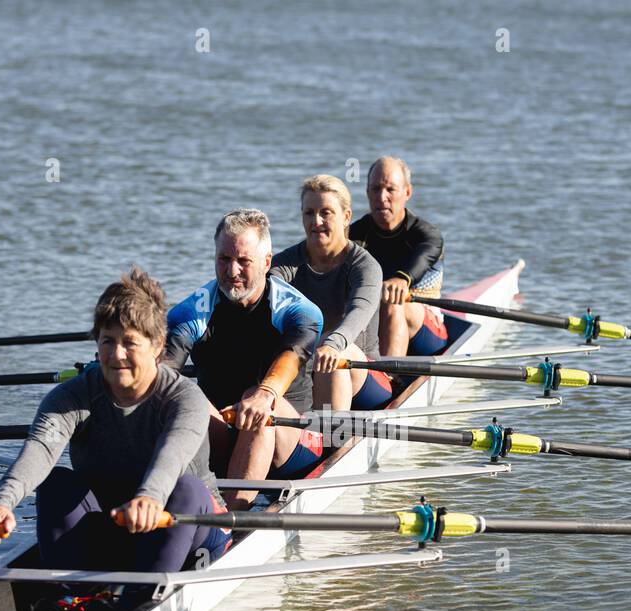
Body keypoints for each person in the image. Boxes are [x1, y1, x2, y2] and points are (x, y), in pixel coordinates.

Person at [0, 267, 230, 592]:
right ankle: (75, 593)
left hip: (189, 529)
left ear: (158, 345)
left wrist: (148, 500)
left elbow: (172, 455)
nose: (117, 354)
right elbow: (40, 449)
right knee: (55, 484)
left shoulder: (184, 398)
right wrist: (0, 504)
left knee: (186, 489)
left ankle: (137, 602)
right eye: (108, 341)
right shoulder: (70, 398)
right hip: (117, 524)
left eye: (130, 342)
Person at [164, 208, 325, 510]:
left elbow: (292, 356)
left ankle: (229, 522)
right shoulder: (190, 311)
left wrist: (265, 394)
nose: (232, 271)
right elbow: (166, 369)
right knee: (178, 394)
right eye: (224, 260)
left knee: (256, 401)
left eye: (243, 261)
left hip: (293, 443)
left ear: (266, 263)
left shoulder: (299, 310)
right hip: (225, 434)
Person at [269, 175, 390, 411]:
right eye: (309, 213)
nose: (316, 221)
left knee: (331, 350)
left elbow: (359, 312)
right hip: (307, 367)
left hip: (367, 378)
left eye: (326, 212)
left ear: (346, 217)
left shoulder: (365, 267)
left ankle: (330, 442)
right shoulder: (284, 265)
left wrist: (333, 344)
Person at [348, 156, 447, 357]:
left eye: (390, 189)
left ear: (407, 192)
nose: (382, 197)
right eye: (376, 189)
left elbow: (423, 257)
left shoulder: (427, 235)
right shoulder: (355, 235)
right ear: (367, 193)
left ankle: (388, 379)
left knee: (393, 302)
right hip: (374, 323)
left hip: (427, 332)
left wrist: (402, 279)